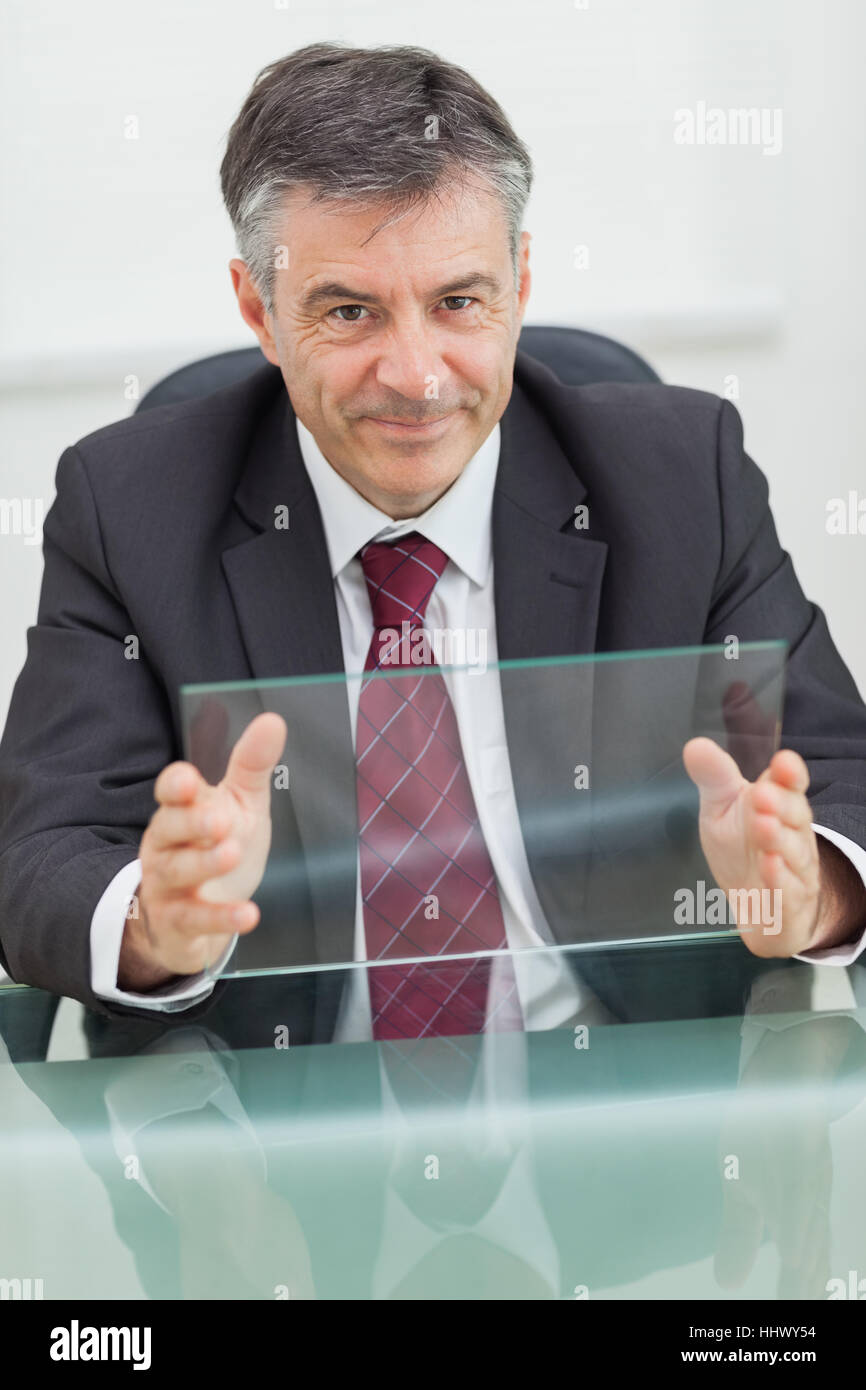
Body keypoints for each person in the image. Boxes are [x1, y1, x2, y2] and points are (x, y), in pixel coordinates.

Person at [1, 43, 865, 1029]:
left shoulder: (678, 478)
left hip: (616, 1102)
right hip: (273, 1135)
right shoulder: (128, 507)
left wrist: (811, 886)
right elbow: (41, 852)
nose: (414, 375)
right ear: (261, 310)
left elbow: (841, 774)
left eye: (457, 301)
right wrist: (160, 922)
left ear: (520, 284)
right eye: (349, 311)